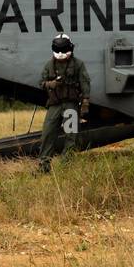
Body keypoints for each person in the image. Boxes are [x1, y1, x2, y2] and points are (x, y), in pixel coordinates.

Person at [37, 33, 90, 173]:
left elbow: (85, 82)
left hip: (71, 105)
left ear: (70, 48)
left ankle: (67, 167)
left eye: (63, 49)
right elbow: (41, 83)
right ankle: (44, 166)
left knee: (71, 136)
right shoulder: (49, 65)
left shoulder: (78, 64)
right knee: (47, 135)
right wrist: (51, 84)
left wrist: (85, 101)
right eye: (58, 49)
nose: (60, 53)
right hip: (54, 105)